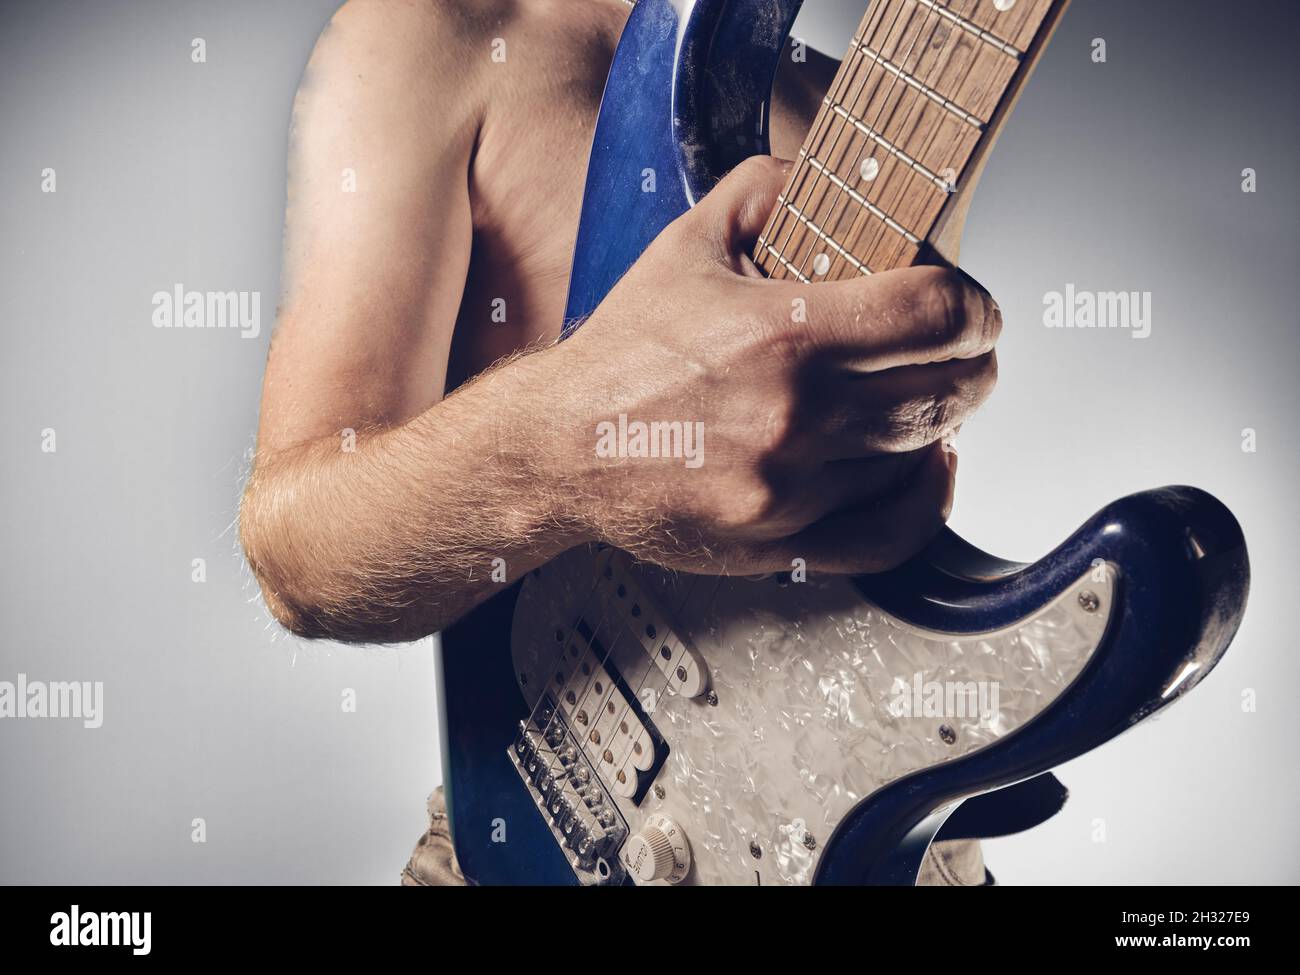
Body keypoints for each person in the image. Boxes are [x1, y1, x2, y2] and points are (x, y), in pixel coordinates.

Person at [240, 0, 1001, 886]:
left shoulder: (866, 108)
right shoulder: (433, 36)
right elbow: (299, 552)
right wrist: (591, 443)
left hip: (892, 838)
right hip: (571, 813)